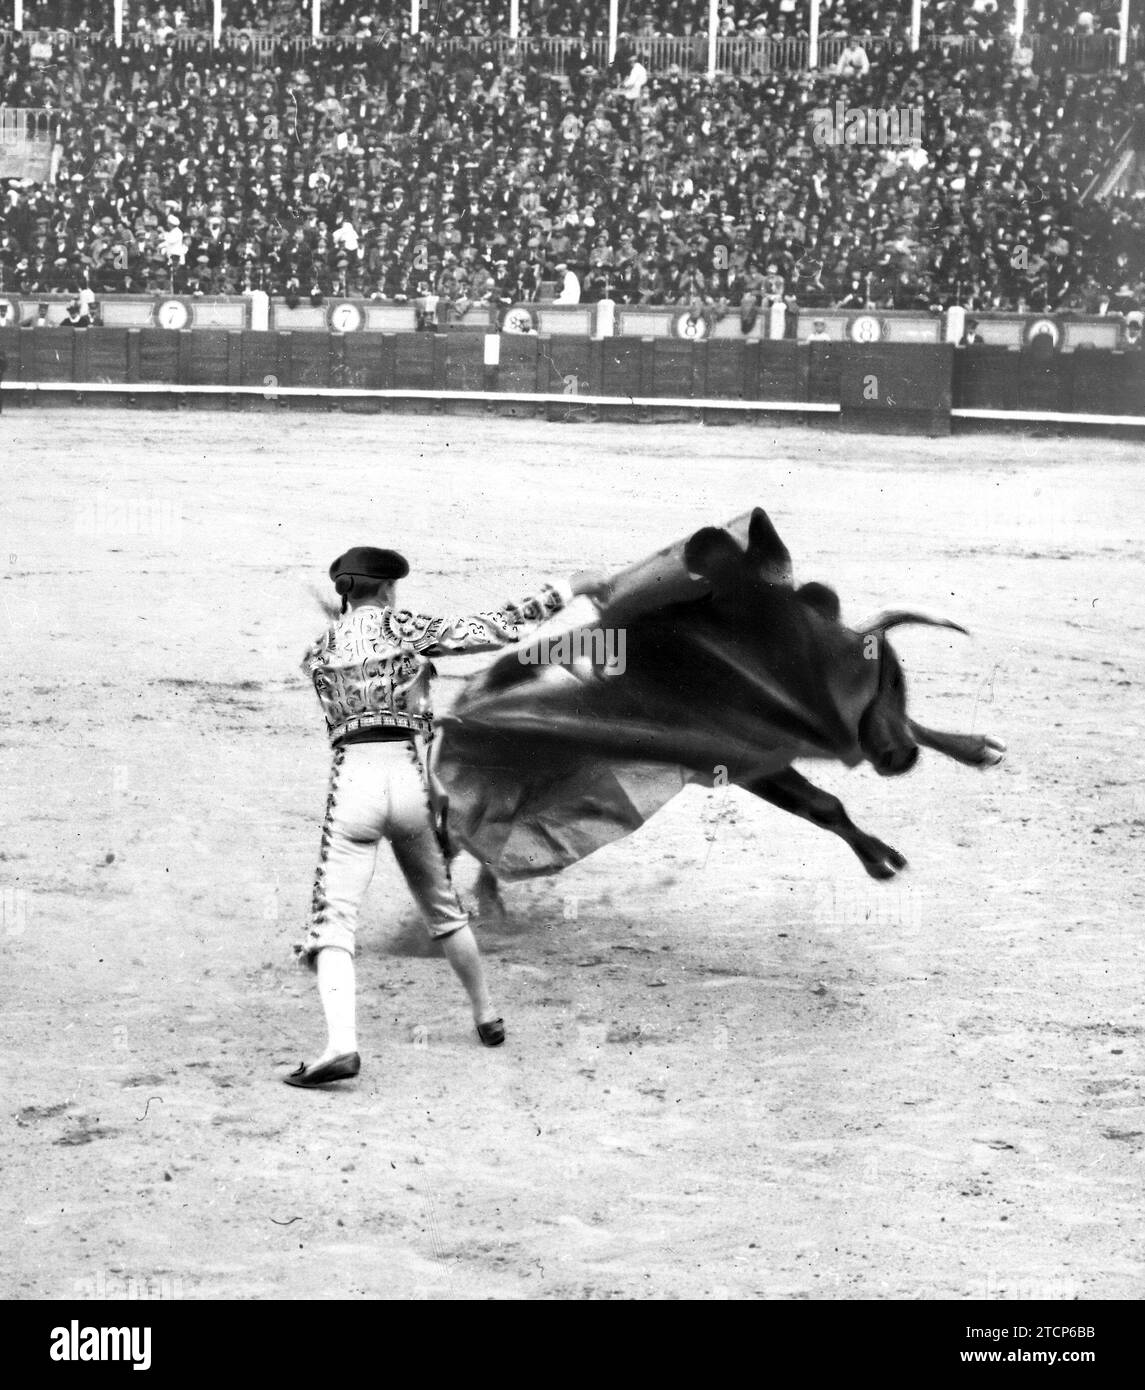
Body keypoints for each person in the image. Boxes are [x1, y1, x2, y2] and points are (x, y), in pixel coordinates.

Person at [286, 547, 610, 1088]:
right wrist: (570, 585)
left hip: (354, 786)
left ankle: (341, 1046)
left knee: (333, 924)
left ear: (345, 592)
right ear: (389, 589)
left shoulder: (317, 653)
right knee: (442, 908)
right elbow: (501, 626)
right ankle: (485, 1015)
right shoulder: (406, 629)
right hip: (412, 784)